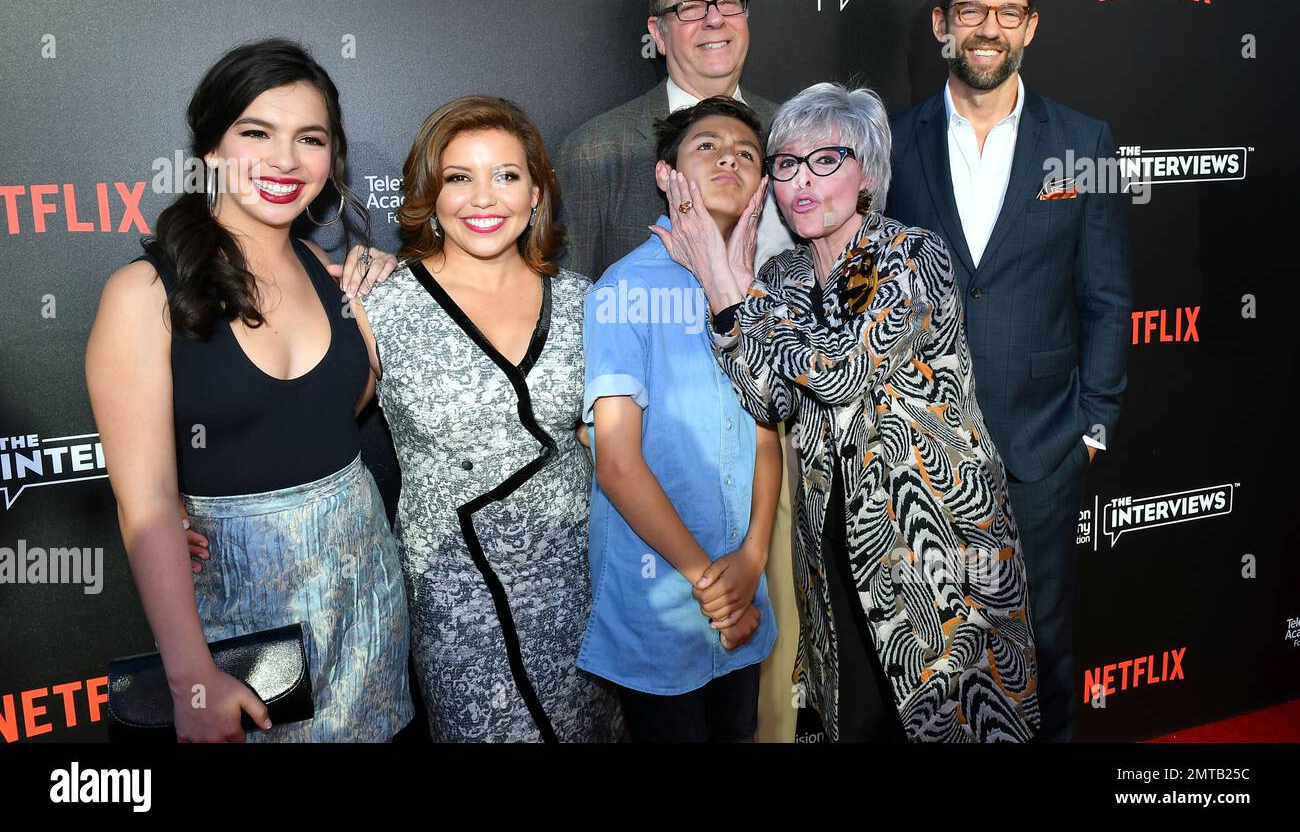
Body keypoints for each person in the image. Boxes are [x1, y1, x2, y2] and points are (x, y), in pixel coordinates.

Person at [656, 82, 1041, 742]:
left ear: (866, 174)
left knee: (957, 722)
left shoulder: (907, 255)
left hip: (935, 547)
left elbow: (839, 372)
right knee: (859, 717)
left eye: (826, 161)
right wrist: (733, 306)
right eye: (785, 165)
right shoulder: (783, 277)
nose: (801, 181)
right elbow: (768, 398)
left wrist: (727, 288)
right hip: (833, 545)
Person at [86, 38, 411, 743]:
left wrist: (376, 294)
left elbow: (333, 415)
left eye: (310, 138)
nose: (285, 160)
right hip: (236, 620)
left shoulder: (340, 282)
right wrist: (191, 679)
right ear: (208, 147)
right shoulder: (142, 296)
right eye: (256, 133)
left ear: (332, 160)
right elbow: (143, 504)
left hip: (365, 596)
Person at [887, 0, 1131, 742]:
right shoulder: (890, 143)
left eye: (1007, 12)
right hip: (923, 449)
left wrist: (1090, 427)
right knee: (935, 660)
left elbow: (1107, 296)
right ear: (940, 23)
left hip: (1041, 449)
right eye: (971, 10)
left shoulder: (1085, 143)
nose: (988, 27)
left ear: (1030, 26)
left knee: (1045, 655)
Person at [352, 96, 622, 742]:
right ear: (430, 195)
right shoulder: (381, 305)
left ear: (536, 192)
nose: (484, 198)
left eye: (506, 175)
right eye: (459, 177)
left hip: (583, 598)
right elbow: (312, 430)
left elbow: (621, 456)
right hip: (456, 605)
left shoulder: (586, 301)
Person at [580, 96, 780, 742]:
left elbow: (767, 435)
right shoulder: (622, 289)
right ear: (667, 177)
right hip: (662, 609)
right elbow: (616, 461)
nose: (730, 157)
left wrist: (751, 558)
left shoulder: (759, 297)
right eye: (707, 147)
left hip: (743, 604)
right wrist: (709, 584)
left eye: (747, 154)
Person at [556, 0, 791, 280]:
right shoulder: (597, 150)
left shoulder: (792, 134)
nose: (714, 19)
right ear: (658, 33)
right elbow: (572, 296)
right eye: (690, 7)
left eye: (728, 1)